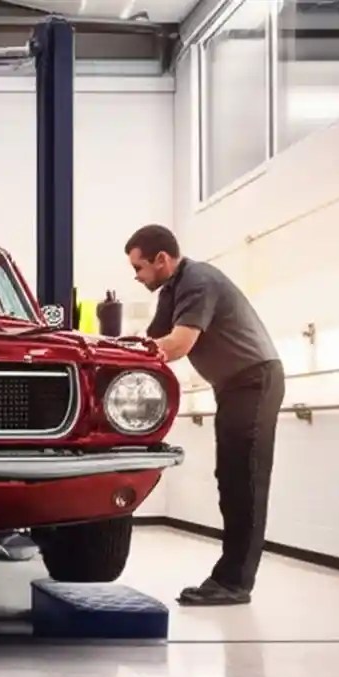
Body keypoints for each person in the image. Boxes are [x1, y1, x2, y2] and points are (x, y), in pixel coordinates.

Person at [124, 224, 285, 606]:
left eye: (138, 268)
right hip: (233, 385)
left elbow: (177, 345)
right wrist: (114, 347)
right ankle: (231, 578)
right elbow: (150, 343)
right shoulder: (173, 289)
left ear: (161, 259)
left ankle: (234, 583)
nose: (136, 276)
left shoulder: (197, 280)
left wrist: (125, 355)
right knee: (230, 477)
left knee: (243, 479)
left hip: (254, 380)